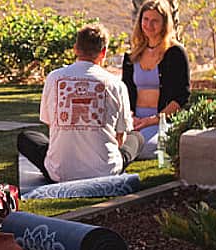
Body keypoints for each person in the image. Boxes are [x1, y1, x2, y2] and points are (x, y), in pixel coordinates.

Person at [16, 23, 136, 182]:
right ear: (104, 52)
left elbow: (51, 125)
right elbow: (120, 139)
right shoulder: (116, 85)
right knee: (136, 138)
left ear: (75, 49)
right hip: (105, 171)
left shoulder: (53, 78)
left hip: (60, 172)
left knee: (26, 137)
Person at [121, 0, 191, 160]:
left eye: (155, 21)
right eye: (145, 19)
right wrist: (131, 116)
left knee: (149, 148)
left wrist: (152, 120)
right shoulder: (132, 56)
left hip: (160, 120)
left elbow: (182, 96)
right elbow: (125, 92)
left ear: (164, 24)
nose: (149, 25)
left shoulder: (176, 53)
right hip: (134, 120)